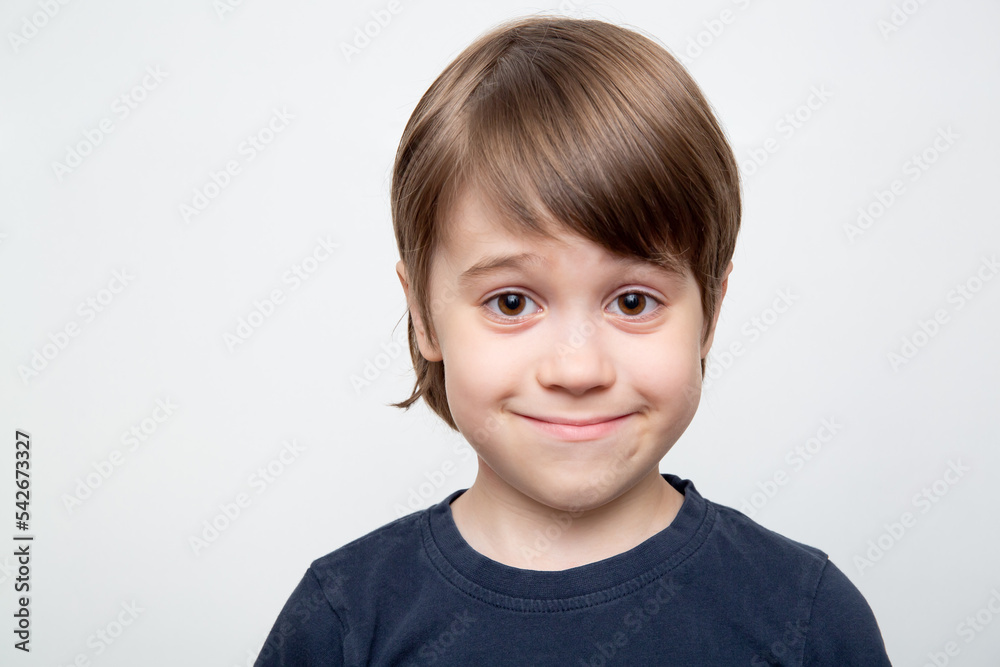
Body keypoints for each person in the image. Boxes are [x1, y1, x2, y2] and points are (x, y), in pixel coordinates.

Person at [255, 14, 892, 665]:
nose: (578, 367)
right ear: (423, 314)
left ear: (711, 310)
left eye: (634, 301)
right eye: (511, 301)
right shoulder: (340, 623)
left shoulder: (806, 618)